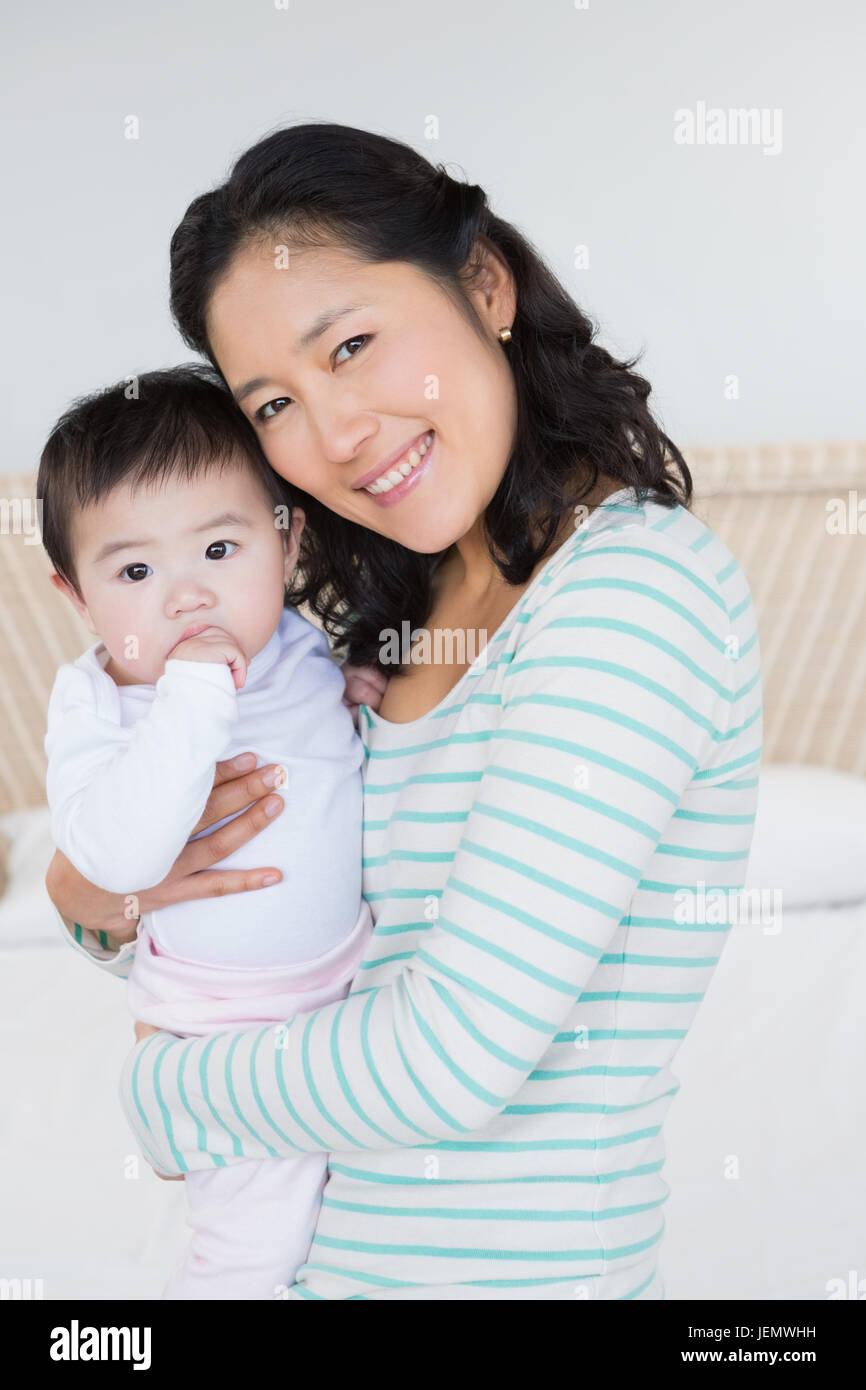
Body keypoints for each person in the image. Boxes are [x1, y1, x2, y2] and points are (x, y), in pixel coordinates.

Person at [46, 121, 762, 1301]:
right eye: (269, 405)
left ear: (484, 286)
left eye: (354, 345)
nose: (329, 436)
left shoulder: (634, 593)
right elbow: (280, 936)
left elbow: (445, 1061)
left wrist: (164, 1098)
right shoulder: (386, 616)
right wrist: (91, 902)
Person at [38, 364, 374, 1299]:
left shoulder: (301, 643)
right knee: (253, 1252)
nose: (186, 597)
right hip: (219, 1028)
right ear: (75, 595)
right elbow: (115, 857)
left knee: (359, 1228)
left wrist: (357, 692)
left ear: (288, 537)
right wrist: (188, 696)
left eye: (220, 552)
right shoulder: (101, 700)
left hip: (358, 987)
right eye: (137, 572)